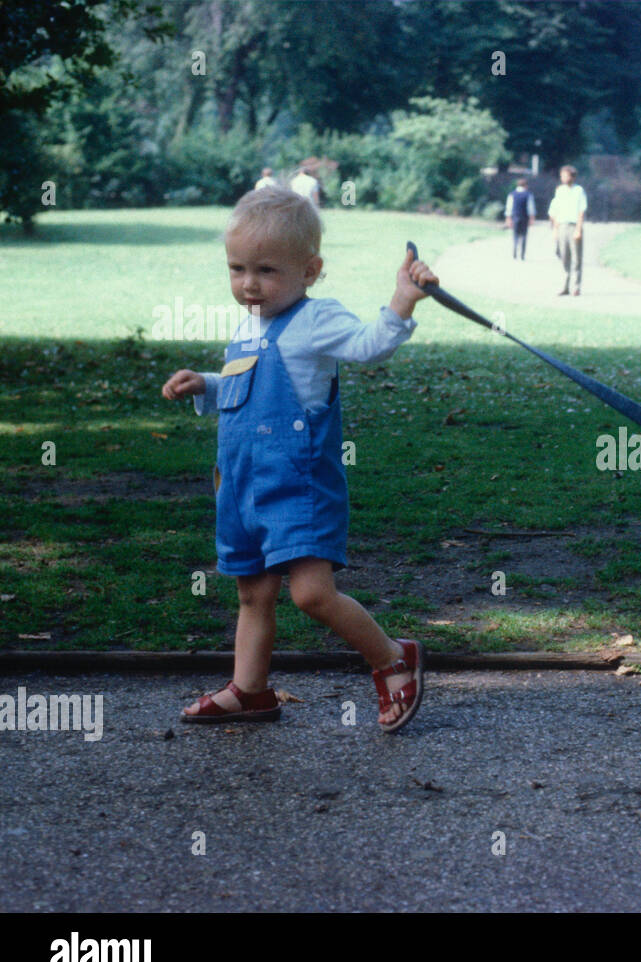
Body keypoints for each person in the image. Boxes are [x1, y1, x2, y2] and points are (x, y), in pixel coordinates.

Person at [160, 186, 439, 733]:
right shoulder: (247, 328)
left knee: (311, 593)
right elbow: (245, 390)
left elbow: (368, 345)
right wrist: (207, 386)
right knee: (252, 592)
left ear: (310, 270)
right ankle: (251, 691)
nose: (248, 284)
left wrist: (402, 299)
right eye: (237, 268)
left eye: (266, 270)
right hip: (240, 487)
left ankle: (392, 658)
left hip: (298, 486)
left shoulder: (315, 321)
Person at [548, 164, 587, 296]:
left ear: (572, 176)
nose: (563, 177)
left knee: (576, 257)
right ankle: (565, 285)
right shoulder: (560, 191)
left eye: (565, 175)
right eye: (562, 175)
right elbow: (555, 211)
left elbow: (581, 211)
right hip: (562, 226)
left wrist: (578, 229)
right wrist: (555, 229)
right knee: (564, 256)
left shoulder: (579, 191)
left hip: (573, 226)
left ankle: (576, 286)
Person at [504, 176, 536, 260]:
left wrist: (508, 218)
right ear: (525, 185)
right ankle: (522, 254)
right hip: (524, 217)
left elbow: (509, 207)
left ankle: (515, 250)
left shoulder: (512, 194)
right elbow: (530, 208)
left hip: (515, 216)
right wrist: (532, 218)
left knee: (515, 234)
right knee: (524, 235)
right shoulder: (528, 194)